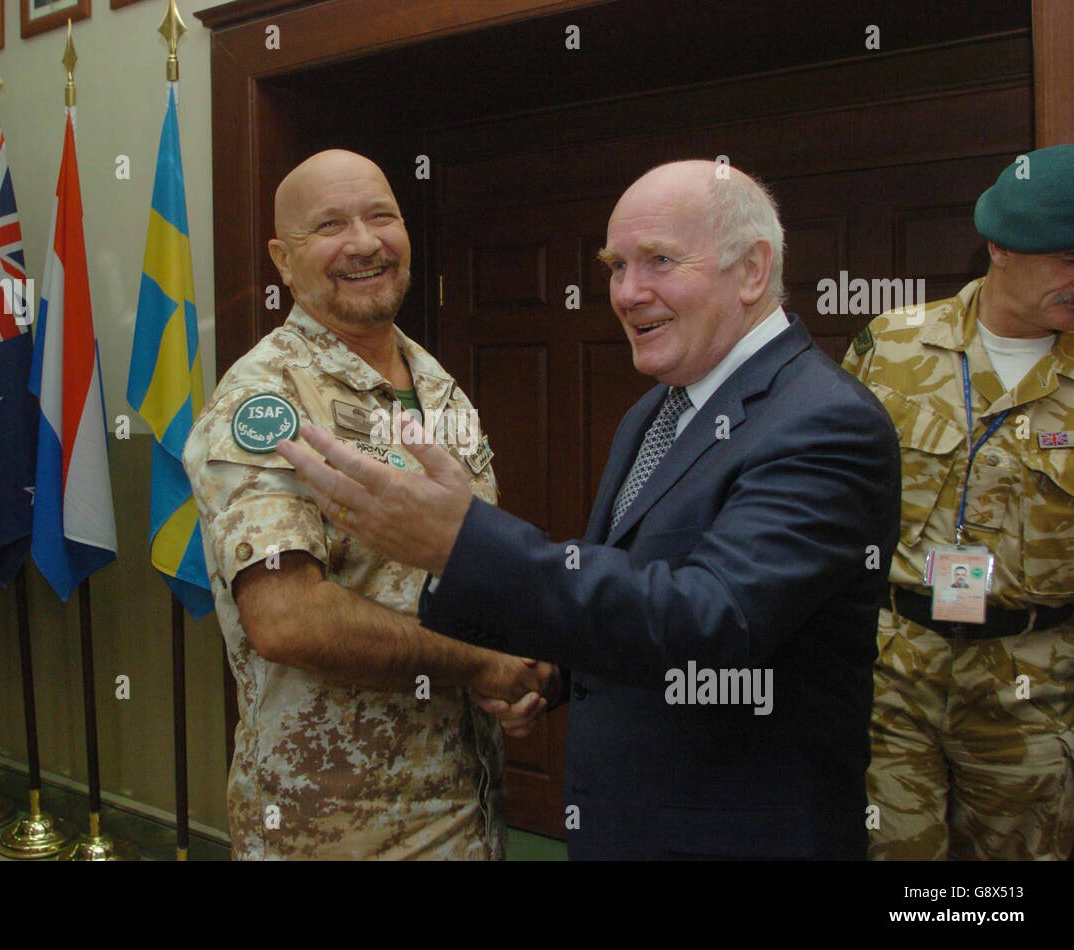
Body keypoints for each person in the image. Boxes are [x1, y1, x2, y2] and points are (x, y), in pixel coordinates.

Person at [278, 160, 902, 860]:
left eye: (659, 261)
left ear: (753, 270)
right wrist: (551, 674)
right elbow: (633, 590)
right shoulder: (656, 412)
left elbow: (713, 621)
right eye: (616, 266)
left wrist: (462, 543)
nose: (628, 293)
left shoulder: (824, 422)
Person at [182, 149, 555, 860]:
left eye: (381, 216)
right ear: (282, 260)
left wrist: (521, 664)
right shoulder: (265, 401)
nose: (364, 242)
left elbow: (466, 561)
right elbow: (287, 619)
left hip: (467, 812)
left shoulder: (438, 386)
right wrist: (481, 664)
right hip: (339, 831)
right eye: (329, 226)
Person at [842, 144, 1074, 861]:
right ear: (1000, 246)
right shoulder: (892, 345)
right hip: (893, 671)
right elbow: (830, 497)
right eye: (1067, 259)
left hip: (1033, 686)